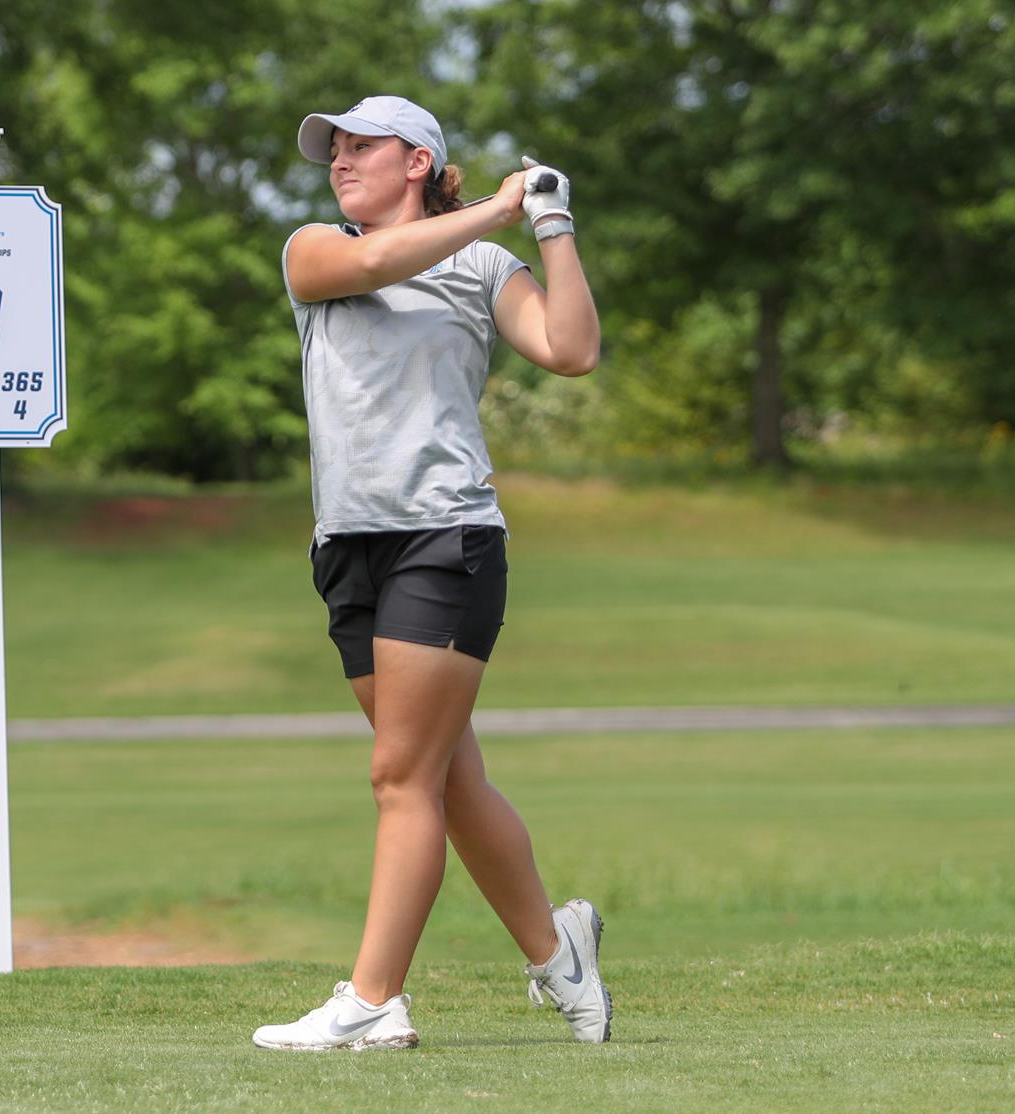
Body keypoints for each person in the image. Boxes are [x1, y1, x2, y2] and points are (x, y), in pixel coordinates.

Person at [250, 96, 608, 1051]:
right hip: (347, 546)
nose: (339, 162)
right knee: (446, 779)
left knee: (400, 775)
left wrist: (551, 222)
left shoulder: (488, 263)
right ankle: (557, 948)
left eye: (360, 146)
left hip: (444, 538)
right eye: (334, 150)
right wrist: (495, 208)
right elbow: (373, 262)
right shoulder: (313, 250)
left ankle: (373, 1001)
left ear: (417, 161)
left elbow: (570, 350)